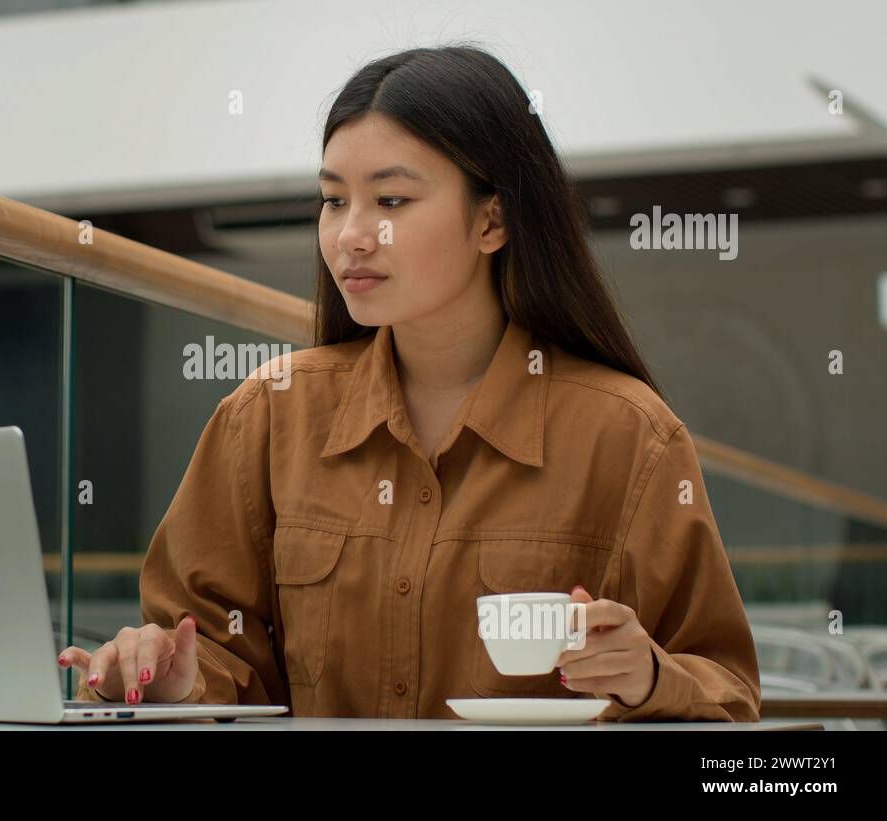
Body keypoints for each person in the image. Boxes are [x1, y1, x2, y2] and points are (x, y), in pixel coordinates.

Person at [58, 44, 761, 721]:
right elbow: (216, 654)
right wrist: (176, 680)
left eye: (390, 201)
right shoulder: (266, 417)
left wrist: (649, 678)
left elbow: (727, 694)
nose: (351, 236)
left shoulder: (628, 435)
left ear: (493, 219)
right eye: (334, 201)